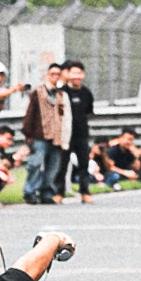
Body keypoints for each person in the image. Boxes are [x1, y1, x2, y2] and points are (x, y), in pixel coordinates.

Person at [22, 63, 67, 204]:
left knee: (53, 166)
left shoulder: (61, 94)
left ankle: (47, 191)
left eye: (58, 74)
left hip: (57, 135)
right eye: (52, 74)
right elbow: (30, 113)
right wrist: (28, 133)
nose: (55, 77)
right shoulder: (39, 92)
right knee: (36, 163)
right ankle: (30, 191)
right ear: (47, 75)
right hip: (39, 134)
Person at [62, 61, 94, 203]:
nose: (77, 76)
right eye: (73, 73)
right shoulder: (62, 92)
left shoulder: (86, 93)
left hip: (82, 135)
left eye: (79, 73)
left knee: (84, 165)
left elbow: (88, 113)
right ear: (68, 74)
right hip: (66, 136)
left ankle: (85, 192)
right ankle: (59, 192)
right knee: (62, 165)